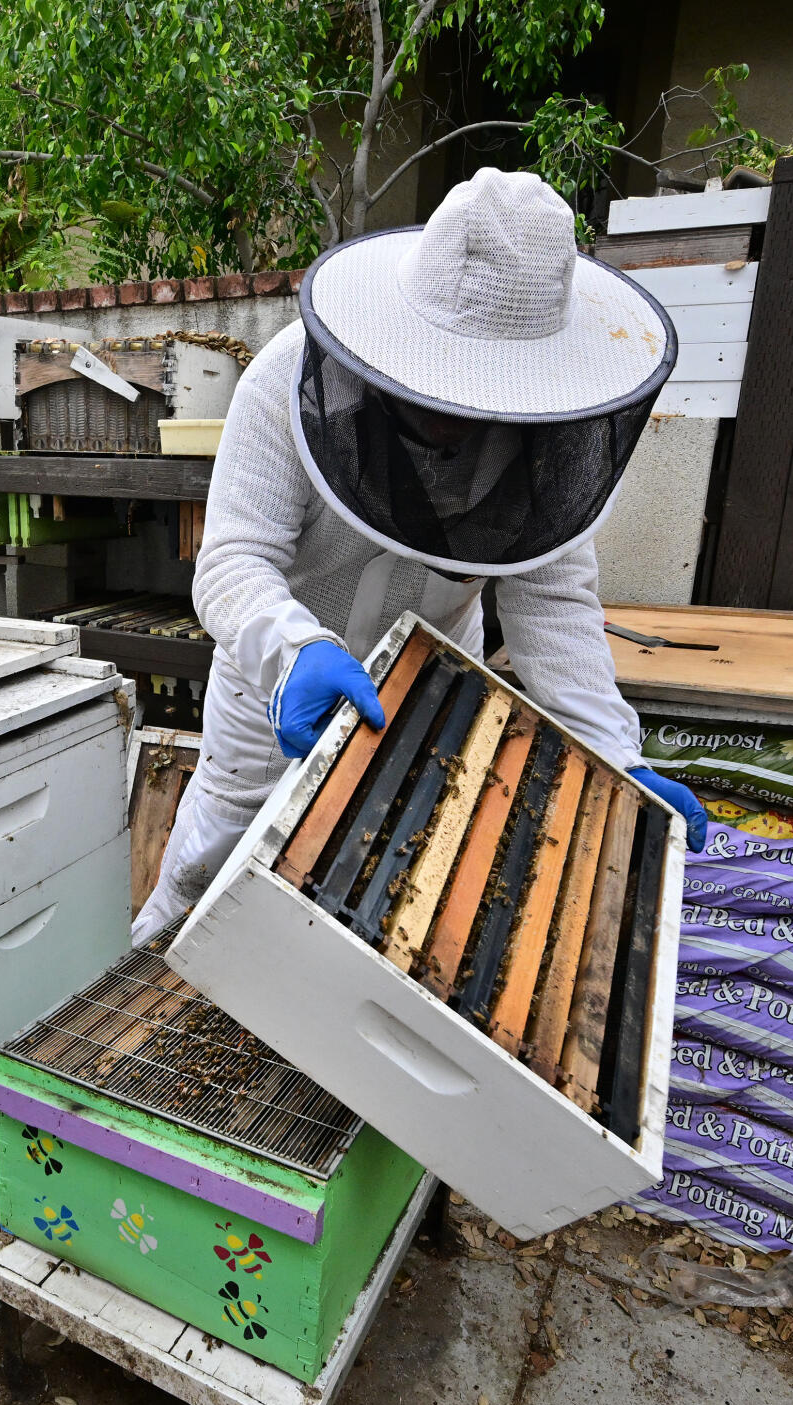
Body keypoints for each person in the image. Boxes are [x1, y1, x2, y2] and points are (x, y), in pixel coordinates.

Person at [133, 166, 708, 944]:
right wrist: (293, 651)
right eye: (444, 376)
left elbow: (553, 603)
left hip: (432, 681)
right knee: (212, 870)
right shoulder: (283, 381)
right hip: (282, 684)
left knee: (386, 884)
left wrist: (616, 755)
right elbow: (232, 560)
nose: (459, 408)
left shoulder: (550, 436)